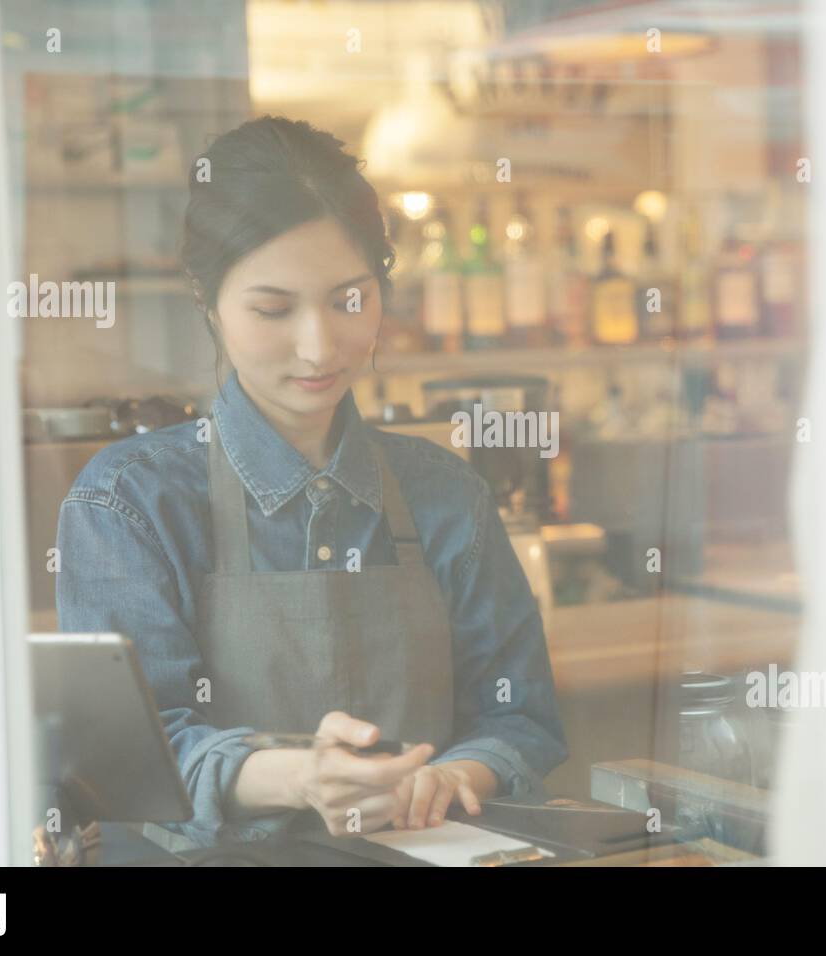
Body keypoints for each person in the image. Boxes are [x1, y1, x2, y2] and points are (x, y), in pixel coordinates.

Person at [55, 117, 567, 846]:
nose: (319, 345)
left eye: (349, 299)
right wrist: (302, 777)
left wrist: (454, 777)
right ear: (207, 300)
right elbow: (127, 753)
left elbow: (518, 716)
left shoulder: (446, 493)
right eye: (273, 308)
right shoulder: (128, 501)